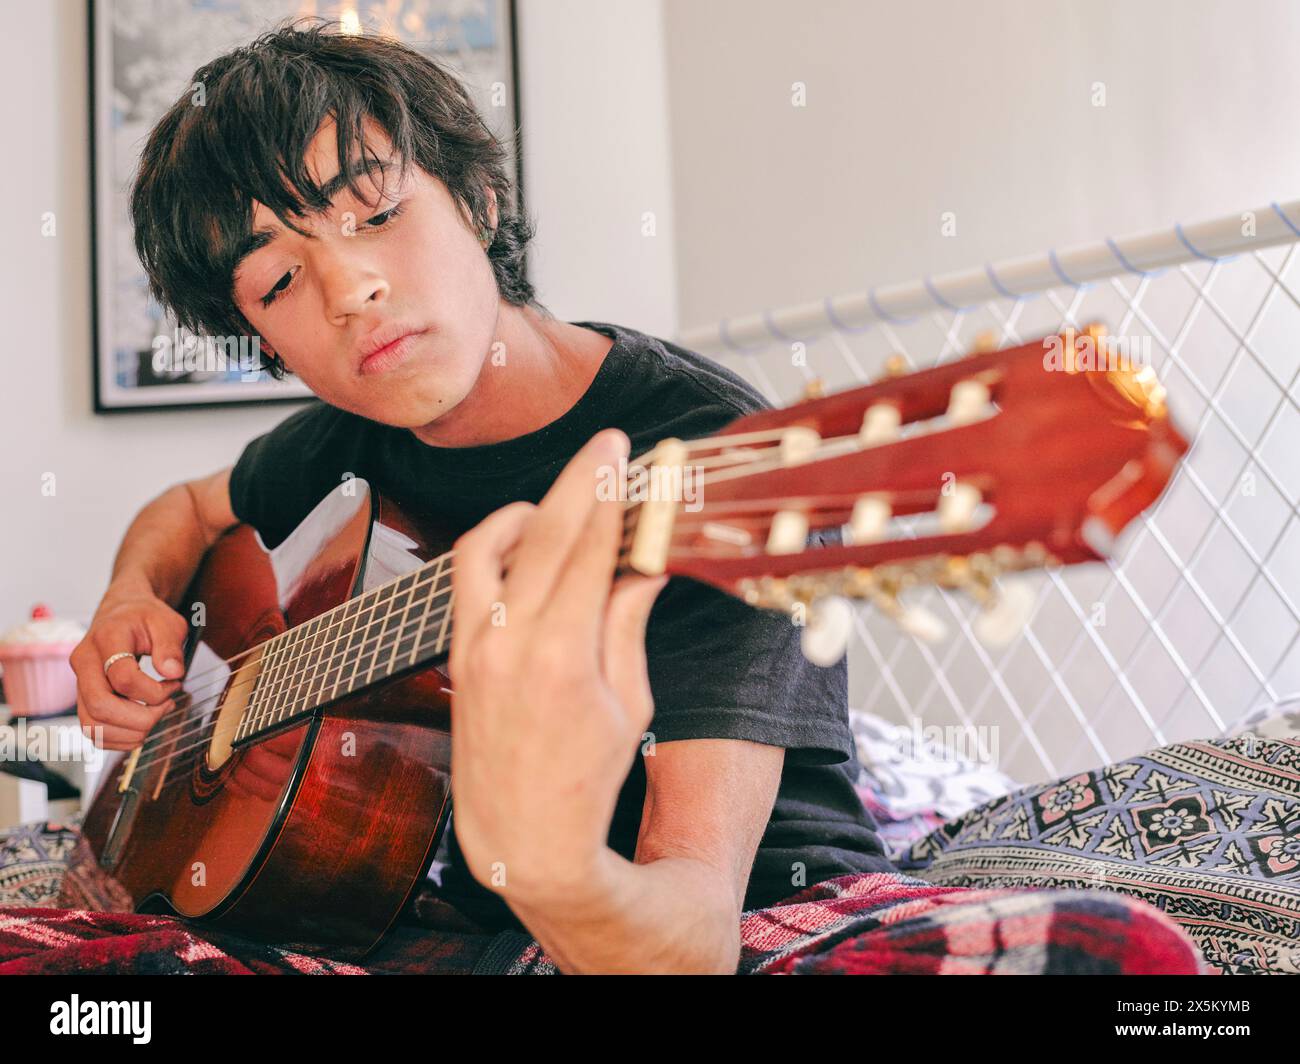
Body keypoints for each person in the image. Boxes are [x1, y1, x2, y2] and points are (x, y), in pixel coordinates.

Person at [70, 20, 894, 974]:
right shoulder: (346, 446)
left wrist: (555, 872)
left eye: (376, 213)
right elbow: (185, 510)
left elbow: (696, 931)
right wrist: (131, 595)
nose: (349, 290)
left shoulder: (702, 455)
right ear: (266, 346)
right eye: (280, 279)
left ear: (480, 199)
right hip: (430, 908)